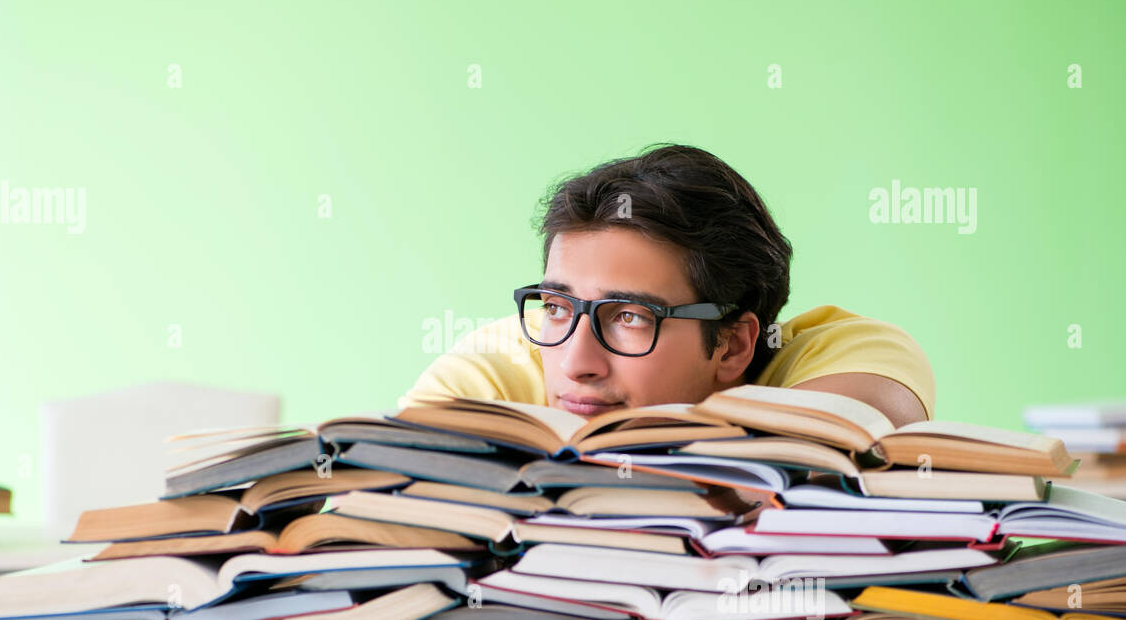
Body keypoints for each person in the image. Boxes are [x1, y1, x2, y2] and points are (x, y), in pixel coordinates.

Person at [399, 144, 934, 427]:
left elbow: (840, 445)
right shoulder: (510, 354)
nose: (575, 362)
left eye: (630, 316)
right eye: (560, 306)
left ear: (733, 344)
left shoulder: (832, 350)